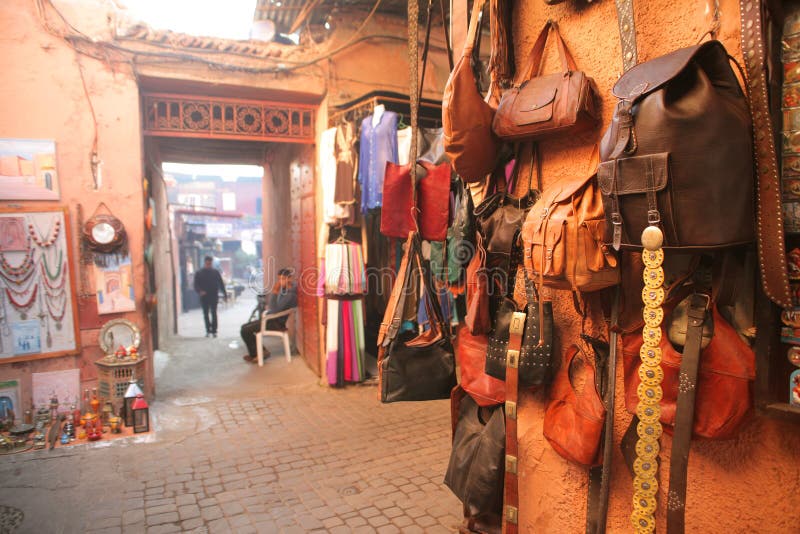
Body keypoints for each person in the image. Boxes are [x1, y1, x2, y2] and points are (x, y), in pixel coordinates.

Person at [242, 268, 297, 363]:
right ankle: (261, 352)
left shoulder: (290, 295)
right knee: (244, 327)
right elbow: (274, 309)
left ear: (290, 279)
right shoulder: (284, 291)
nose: (281, 282)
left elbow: (274, 310)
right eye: (279, 279)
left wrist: (275, 292)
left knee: (245, 330)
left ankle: (257, 354)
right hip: (272, 320)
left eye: (283, 279)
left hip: (275, 323)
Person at [193, 256, 227, 338]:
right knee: (206, 313)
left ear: (211, 263)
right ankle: (208, 330)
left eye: (210, 263)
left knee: (213, 313)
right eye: (207, 263)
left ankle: (214, 331)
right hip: (204, 296)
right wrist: (200, 291)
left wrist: (224, 294)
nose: (209, 265)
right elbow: (195, 284)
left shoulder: (215, 272)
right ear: (205, 263)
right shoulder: (199, 273)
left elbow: (221, 283)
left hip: (213, 295)